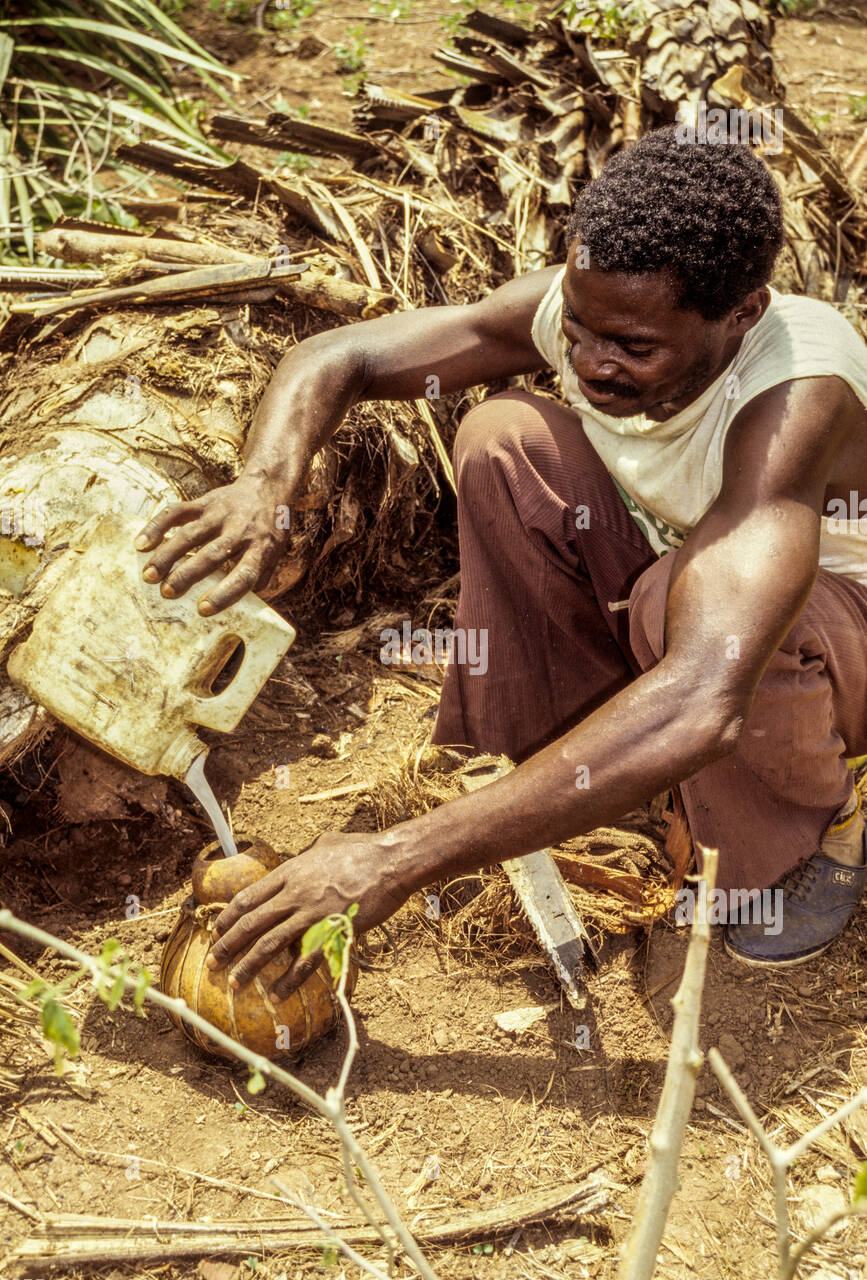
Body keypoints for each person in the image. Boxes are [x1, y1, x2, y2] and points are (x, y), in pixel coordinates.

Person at [135, 127, 867, 999]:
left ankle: (803, 830)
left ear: (741, 313)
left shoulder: (796, 393)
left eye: (635, 348)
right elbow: (343, 355)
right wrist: (264, 484)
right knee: (503, 440)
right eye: (583, 329)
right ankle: (546, 766)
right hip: (690, 596)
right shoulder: (589, 308)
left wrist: (399, 859)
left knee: (676, 605)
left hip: (824, 632)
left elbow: (704, 695)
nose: (593, 364)